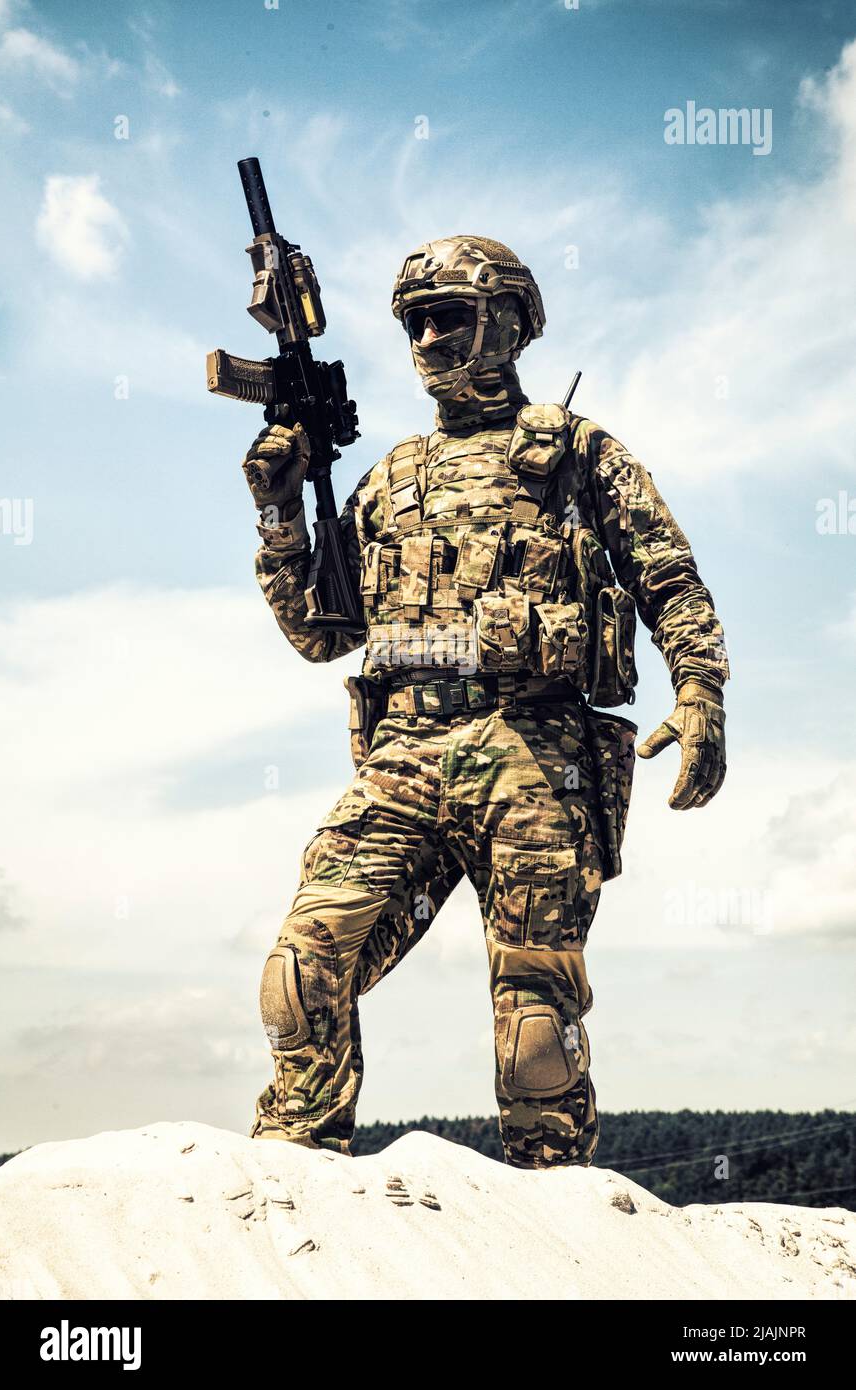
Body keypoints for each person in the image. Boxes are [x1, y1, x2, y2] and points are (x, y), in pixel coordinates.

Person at [242, 235, 728, 1167]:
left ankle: (554, 1219)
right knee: (300, 970)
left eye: (448, 316)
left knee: (535, 1027)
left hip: (533, 754)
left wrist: (701, 688)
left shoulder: (576, 452)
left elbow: (667, 573)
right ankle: (297, 1184)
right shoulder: (390, 475)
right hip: (406, 751)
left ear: (508, 322)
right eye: (414, 322)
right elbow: (320, 632)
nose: (427, 337)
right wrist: (278, 511)